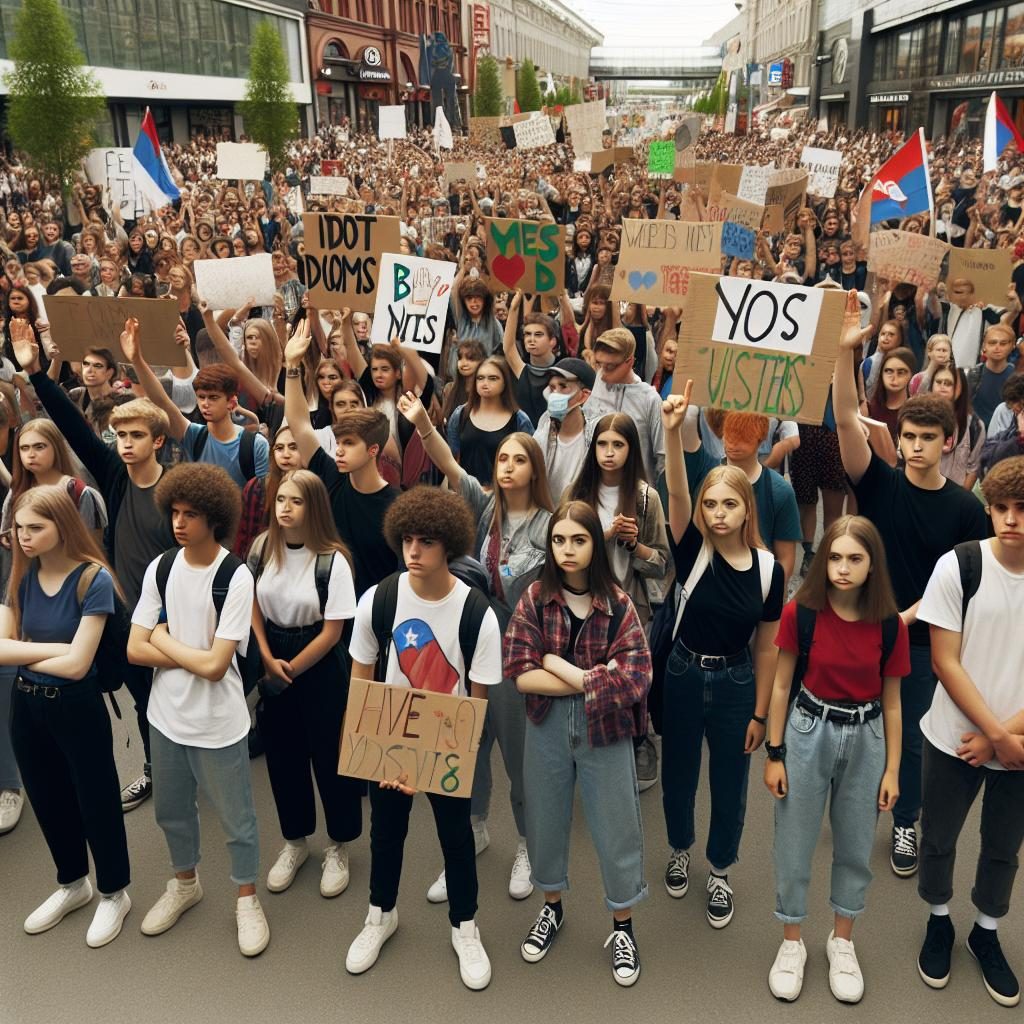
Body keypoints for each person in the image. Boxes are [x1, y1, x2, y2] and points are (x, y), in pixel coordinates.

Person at [833, 288, 989, 879]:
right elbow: (847, 417)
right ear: (899, 439)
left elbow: (959, 586)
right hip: (859, 629)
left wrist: (904, 620)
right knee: (852, 727)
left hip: (921, 643)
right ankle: (854, 813)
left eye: (929, 438)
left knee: (914, 739)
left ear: (947, 443)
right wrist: (847, 356)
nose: (917, 445)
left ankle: (905, 825)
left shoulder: (966, 511)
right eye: (910, 437)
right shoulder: (877, 484)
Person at [344, 486, 502, 991]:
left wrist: (435, 761)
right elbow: (361, 680)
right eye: (407, 539)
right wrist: (379, 750)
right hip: (388, 739)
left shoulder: (477, 613)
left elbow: (476, 704)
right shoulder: (379, 598)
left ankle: (466, 926)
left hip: (446, 744)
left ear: (448, 545)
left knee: (456, 838)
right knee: (386, 833)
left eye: (426, 541)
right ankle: (379, 914)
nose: (413, 551)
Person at [15, 323, 176, 812]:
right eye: (120, 435)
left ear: (159, 441)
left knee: (178, 699)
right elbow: (76, 430)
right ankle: (158, 771)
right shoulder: (113, 475)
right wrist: (39, 374)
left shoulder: (179, 491)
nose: (124, 443)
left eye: (135, 435)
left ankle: (189, 769)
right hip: (128, 620)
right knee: (144, 700)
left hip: (174, 619)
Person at [399, 391, 552, 903]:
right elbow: (449, 461)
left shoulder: (551, 527)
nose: (507, 467)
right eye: (503, 458)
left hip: (520, 658)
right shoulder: (485, 509)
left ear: (535, 470)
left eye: (518, 460)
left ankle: (529, 844)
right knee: (466, 748)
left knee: (517, 755)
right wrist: (422, 423)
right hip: (470, 649)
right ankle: (473, 831)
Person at [504, 500, 651, 987]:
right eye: (559, 540)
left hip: (605, 730)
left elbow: (635, 679)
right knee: (545, 818)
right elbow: (521, 675)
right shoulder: (533, 599)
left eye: (579, 539)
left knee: (617, 826)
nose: (567, 549)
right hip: (546, 727)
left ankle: (623, 925)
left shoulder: (620, 603)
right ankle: (552, 909)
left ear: (596, 543)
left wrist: (560, 666)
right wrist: (595, 676)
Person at [763, 516, 908, 1003]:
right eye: (835, 557)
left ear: (872, 566)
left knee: (854, 842)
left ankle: (842, 939)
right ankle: (792, 941)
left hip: (866, 737)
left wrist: (892, 769)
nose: (843, 569)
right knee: (795, 839)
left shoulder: (888, 626)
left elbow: (892, 702)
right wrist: (775, 752)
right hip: (807, 730)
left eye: (855, 559)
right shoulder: (800, 613)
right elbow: (782, 684)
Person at [128, 463, 270, 958]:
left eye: (191, 514)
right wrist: (181, 650)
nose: (179, 522)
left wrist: (163, 640)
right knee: (171, 813)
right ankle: (185, 884)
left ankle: (246, 898)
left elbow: (216, 668)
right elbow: (133, 649)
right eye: (175, 512)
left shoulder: (235, 576)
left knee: (237, 819)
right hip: (164, 718)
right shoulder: (160, 568)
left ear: (215, 519)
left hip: (219, 721)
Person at [660, 386, 783, 929]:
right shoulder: (691, 547)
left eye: (729, 503)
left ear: (746, 508)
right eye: (711, 504)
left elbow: (770, 647)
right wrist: (671, 429)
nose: (717, 512)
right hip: (683, 673)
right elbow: (678, 492)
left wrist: (761, 715)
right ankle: (681, 848)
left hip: (736, 684)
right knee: (679, 774)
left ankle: (720, 870)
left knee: (730, 784)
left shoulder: (768, 570)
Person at [0, 485, 131, 948]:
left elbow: (79, 669)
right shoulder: (19, 577)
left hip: (76, 708)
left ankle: (115, 892)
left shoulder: (92, 578)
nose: (24, 537)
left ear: (63, 526)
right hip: (27, 706)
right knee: (48, 798)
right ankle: (73, 883)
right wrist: (58, 648)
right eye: (18, 528)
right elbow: (3, 649)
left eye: (36, 527)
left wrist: (27, 654)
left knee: (96, 800)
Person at [916, 456, 1024, 1008]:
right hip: (953, 736)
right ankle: (939, 920)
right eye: (1001, 508)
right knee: (938, 836)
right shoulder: (959, 566)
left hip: (1017, 746)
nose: (1012, 520)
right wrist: (993, 736)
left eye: (1022, 509)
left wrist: (1004, 740)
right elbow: (945, 661)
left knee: (1004, 847)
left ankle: (986, 929)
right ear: (989, 508)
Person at [248, 470, 362, 899]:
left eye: (295, 501)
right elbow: (253, 605)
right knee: (282, 756)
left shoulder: (333, 560)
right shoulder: (263, 548)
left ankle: (339, 844)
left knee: (330, 756)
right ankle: (295, 841)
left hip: (316, 660)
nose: (284, 508)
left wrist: (288, 669)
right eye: (280, 500)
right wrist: (264, 654)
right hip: (271, 652)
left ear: (313, 507)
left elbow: (333, 632)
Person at [283, 319, 399, 596]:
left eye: (349, 443)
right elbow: (299, 423)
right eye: (339, 442)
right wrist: (291, 367)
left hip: (373, 615)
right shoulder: (330, 473)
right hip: (328, 607)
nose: (339, 449)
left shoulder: (396, 505)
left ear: (373, 451)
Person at [119, 318, 269, 487]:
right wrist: (137, 360)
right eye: (201, 397)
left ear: (232, 403)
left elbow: (262, 501)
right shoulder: (194, 437)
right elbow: (162, 402)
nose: (205, 403)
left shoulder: (255, 445)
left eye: (213, 397)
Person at [682, 410, 801, 584]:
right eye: (728, 433)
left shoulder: (780, 492)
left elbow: (785, 560)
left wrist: (773, 600)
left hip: (757, 588)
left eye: (744, 436)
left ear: (760, 438)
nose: (733, 442)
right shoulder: (705, 478)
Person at [585, 328, 664, 482]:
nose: (603, 372)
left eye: (610, 366)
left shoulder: (650, 399)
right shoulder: (597, 384)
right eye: (599, 364)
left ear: (630, 362)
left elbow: (662, 457)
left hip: (636, 491)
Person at [447, 356, 533, 487]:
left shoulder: (519, 420)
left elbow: (529, 463)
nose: (485, 383)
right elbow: (452, 460)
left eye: (493, 378)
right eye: (480, 378)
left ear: (505, 382)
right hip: (465, 495)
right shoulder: (460, 415)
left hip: (504, 497)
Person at [533, 357, 598, 502]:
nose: (555, 394)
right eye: (552, 387)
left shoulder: (597, 438)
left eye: (563, 386)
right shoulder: (541, 435)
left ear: (584, 395)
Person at [503, 292, 560, 426]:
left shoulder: (563, 369)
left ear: (552, 341)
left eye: (538, 334)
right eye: (528, 334)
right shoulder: (523, 370)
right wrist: (513, 309)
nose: (531, 339)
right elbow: (508, 347)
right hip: (526, 438)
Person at [926, 366, 986, 490]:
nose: (942, 386)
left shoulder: (975, 426)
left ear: (960, 388)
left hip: (954, 494)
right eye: (938, 382)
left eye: (948, 383)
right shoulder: (918, 416)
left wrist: (960, 500)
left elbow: (973, 468)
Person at [966, 324, 1018, 430]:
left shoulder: (1017, 377)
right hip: (976, 433)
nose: (997, 347)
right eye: (992, 342)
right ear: (984, 346)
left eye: (1003, 343)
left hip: (1005, 437)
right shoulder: (974, 374)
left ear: (1012, 346)